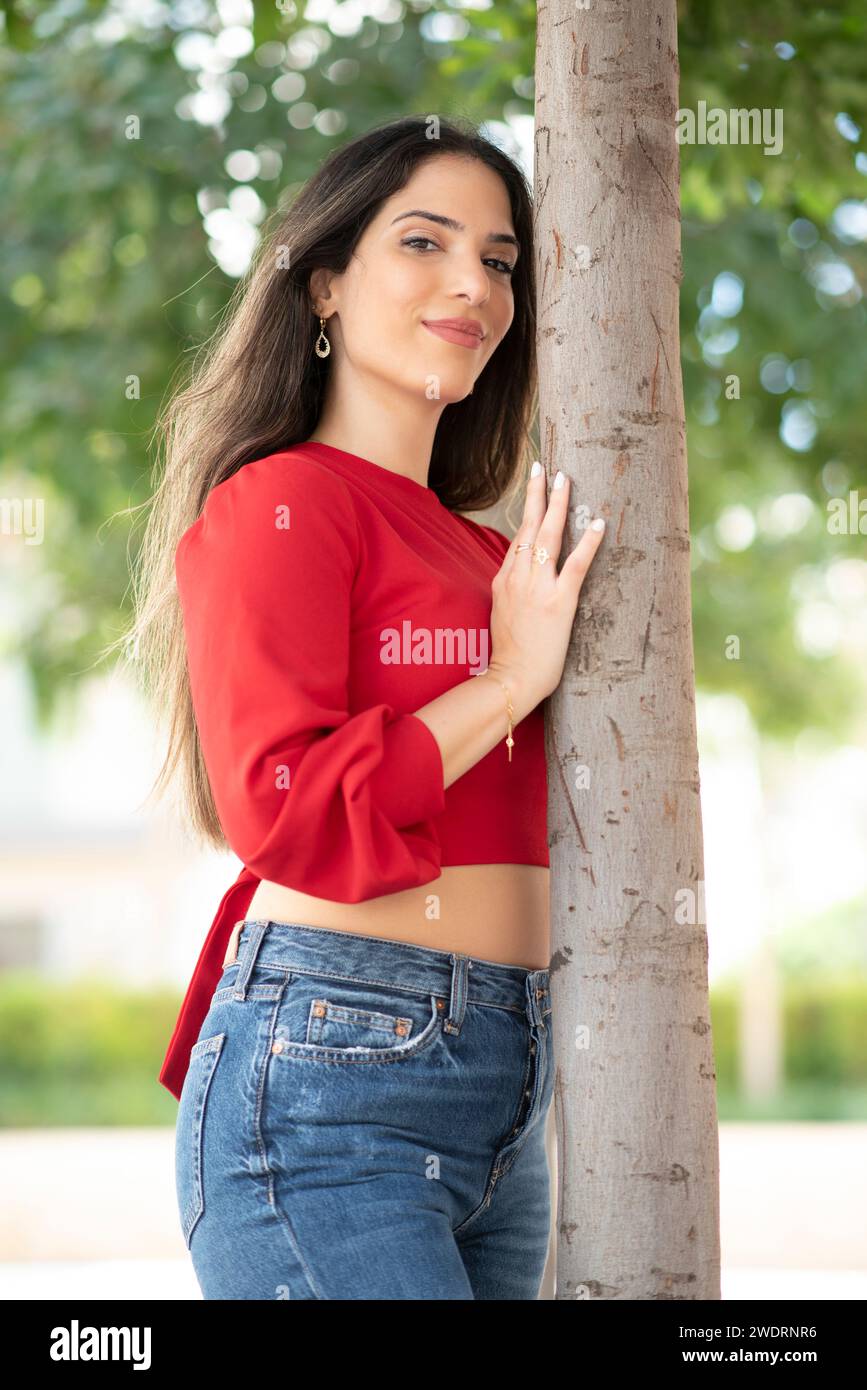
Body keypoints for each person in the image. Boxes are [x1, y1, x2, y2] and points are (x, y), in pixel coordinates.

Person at [128, 114, 605, 1299]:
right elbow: (282, 806)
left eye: (499, 259)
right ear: (326, 284)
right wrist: (507, 682)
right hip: (335, 1078)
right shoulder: (282, 501)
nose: (473, 284)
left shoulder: (494, 556)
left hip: (511, 1088)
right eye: (425, 242)